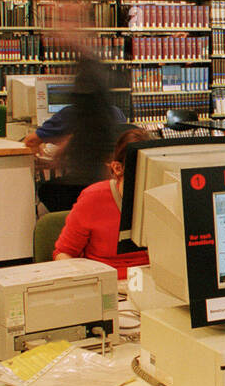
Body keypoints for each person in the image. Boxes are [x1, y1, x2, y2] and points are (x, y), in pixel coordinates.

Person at [22, 55, 128, 211]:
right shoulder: (116, 113)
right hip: (112, 186)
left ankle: (70, 222)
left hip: (84, 187)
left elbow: (30, 141)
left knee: (46, 190)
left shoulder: (71, 113)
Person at [52, 126, 152, 278]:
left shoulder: (165, 197)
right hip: (107, 283)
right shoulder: (93, 198)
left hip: (154, 282)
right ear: (118, 168)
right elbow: (63, 254)